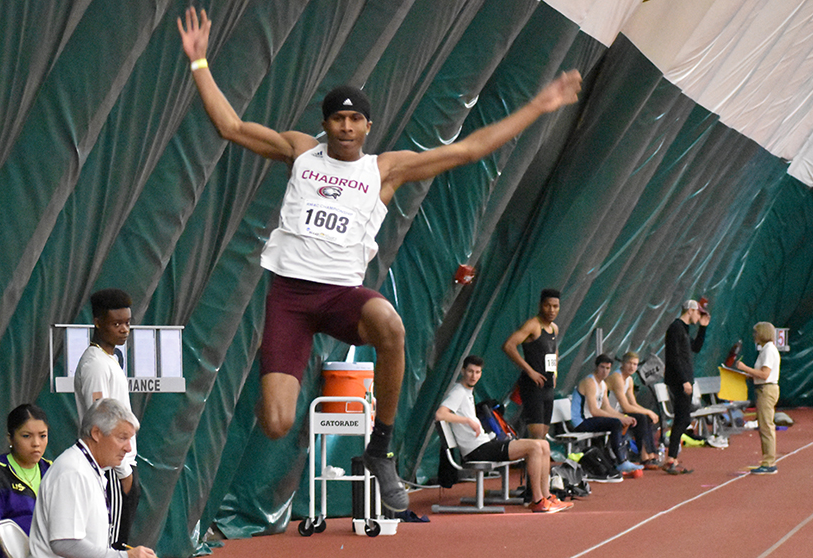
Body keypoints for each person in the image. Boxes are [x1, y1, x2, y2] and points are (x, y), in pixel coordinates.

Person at [177, 8, 582, 512]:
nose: (345, 127)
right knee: (276, 423)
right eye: (337, 119)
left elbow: (470, 150)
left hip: (343, 294)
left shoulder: (384, 171)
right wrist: (199, 64)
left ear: (368, 125)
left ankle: (380, 449)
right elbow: (231, 125)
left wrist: (540, 106)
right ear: (324, 125)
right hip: (292, 298)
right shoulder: (300, 152)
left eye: (354, 120)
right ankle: (276, 385)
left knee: (391, 326)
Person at [435, 356, 572, 513]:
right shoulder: (458, 392)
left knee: (544, 444)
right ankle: (537, 500)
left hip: (485, 444)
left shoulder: (467, 392)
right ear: (462, 371)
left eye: (477, 372)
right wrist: (468, 420)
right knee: (534, 447)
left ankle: (547, 497)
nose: (474, 376)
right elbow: (440, 414)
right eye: (470, 371)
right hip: (478, 451)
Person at [29, 398, 156, 558]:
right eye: (122, 438)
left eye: (130, 439)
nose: (128, 448)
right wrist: (124, 556)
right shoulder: (74, 472)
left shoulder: (88, 468)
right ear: (96, 433)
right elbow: (64, 542)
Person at [73, 288, 138, 542]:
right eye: (116, 323)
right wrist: (122, 471)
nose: (124, 329)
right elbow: (99, 424)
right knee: (111, 544)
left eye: (127, 323)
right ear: (98, 322)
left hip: (120, 463)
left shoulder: (109, 359)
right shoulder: (96, 366)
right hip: (111, 467)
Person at [0, 404, 52, 558]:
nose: (36, 443)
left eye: (42, 435)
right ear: (10, 438)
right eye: (26, 436)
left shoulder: (52, 471)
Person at [503, 289, 563, 440]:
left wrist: (554, 372)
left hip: (548, 385)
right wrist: (530, 371)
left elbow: (554, 351)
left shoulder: (554, 328)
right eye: (548, 306)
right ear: (540, 305)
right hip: (533, 384)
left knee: (542, 435)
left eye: (555, 306)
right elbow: (509, 345)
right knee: (536, 436)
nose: (551, 310)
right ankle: (528, 462)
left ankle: (538, 463)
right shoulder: (533, 325)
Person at [571, 354, 643, 476]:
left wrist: (623, 417)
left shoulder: (603, 384)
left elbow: (607, 407)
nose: (605, 371)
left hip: (592, 419)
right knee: (615, 423)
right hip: (581, 421)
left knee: (622, 421)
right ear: (596, 367)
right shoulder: (590, 382)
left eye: (608, 368)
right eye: (602, 367)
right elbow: (594, 410)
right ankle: (621, 461)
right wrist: (618, 419)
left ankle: (616, 458)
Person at [662, 299, 709, 475]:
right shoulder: (676, 328)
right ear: (690, 310)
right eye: (698, 313)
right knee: (681, 419)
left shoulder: (684, 330)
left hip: (684, 380)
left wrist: (703, 327)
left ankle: (672, 456)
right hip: (679, 381)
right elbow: (674, 357)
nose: (699, 316)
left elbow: (695, 347)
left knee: (684, 419)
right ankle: (670, 458)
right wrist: (684, 380)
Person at [734, 322, 780, 474]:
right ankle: (768, 460)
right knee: (765, 425)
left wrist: (744, 368)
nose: (754, 336)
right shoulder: (766, 350)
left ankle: (769, 463)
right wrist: (747, 375)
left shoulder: (768, 351)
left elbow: (764, 374)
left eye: (756, 333)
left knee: (766, 426)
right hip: (765, 388)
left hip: (766, 389)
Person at [605, 352, 661, 468]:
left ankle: (650, 454)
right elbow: (626, 407)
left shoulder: (629, 380)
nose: (632, 367)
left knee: (645, 417)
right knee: (641, 417)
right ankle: (644, 456)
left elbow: (633, 404)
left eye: (635, 364)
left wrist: (649, 413)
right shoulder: (617, 378)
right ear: (622, 364)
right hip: (607, 413)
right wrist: (648, 411)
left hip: (618, 413)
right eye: (629, 363)